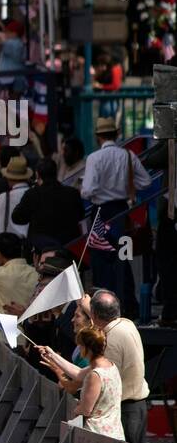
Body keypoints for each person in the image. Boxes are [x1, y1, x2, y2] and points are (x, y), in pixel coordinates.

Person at [80, 118, 152, 315]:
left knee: (101, 260)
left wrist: (100, 189)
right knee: (123, 257)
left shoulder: (94, 158)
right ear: (117, 134)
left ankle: (102, 308)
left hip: (101, 213)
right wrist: (126, 187)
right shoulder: (127, 155)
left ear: (98, 137)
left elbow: (87, 191)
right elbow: (145, 181)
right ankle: (128, 305)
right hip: (122, 212)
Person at [86, 290, 151, 443]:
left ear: (94, 314)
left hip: (126, 409)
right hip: (138, 405)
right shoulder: (126, 324)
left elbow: (105, 378)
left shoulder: (111, 340)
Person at [38, 327, 125, 441]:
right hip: (114, 432)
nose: (78, 349)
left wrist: (76, 407)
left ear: (87, 349)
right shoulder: (110, 365)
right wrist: (52, 354)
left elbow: (85, 410)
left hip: (96, 435)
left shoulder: (94, 375)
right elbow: (78, 373)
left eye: (80, 345)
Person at [11, 158, 86, 251]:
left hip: (43, 250)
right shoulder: (72, 193)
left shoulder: (32, 194)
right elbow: (80, 215)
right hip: (70, 247)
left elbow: (17, 218)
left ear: (37, 174)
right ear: (56, 173)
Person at [0, 155, 31, 237]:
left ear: (8, 178)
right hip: (28, 246)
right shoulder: (34, 195)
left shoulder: (3, 198)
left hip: (6, 246)